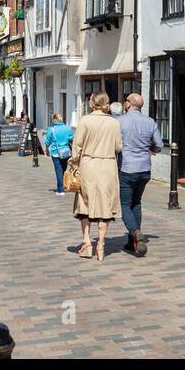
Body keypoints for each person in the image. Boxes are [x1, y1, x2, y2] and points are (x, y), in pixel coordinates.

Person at [69, 93, 122, 261]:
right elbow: (118, 147)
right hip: (107, 166)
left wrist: (73, 163)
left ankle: (87, 243)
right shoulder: (114, 123)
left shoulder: (85, 121)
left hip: (89, 164)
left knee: (85, 203)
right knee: (104, 205)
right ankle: (101, 245)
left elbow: (77, 146)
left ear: (92, 103)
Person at [117, 93, 162, 257]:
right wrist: (151, 150)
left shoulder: (120, 121)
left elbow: (115, 144)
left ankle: (135, 232)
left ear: (129, 104)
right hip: (144, 168)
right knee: (136, 203)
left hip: (128, 168)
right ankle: (132, 242)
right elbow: (158, 145)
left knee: (124, 204)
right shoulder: (150, 122)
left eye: (125, 101)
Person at [44, 114, 75, 195]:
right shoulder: (68, 128)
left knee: (58, 170)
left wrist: (47, 150)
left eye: (52, 119)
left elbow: (47, 141)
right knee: (63, 170)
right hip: (66, 153)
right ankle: (60, 187)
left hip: (55, 153)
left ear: (55, 120)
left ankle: (61, 190)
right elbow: (72, 139)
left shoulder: (52, 129)